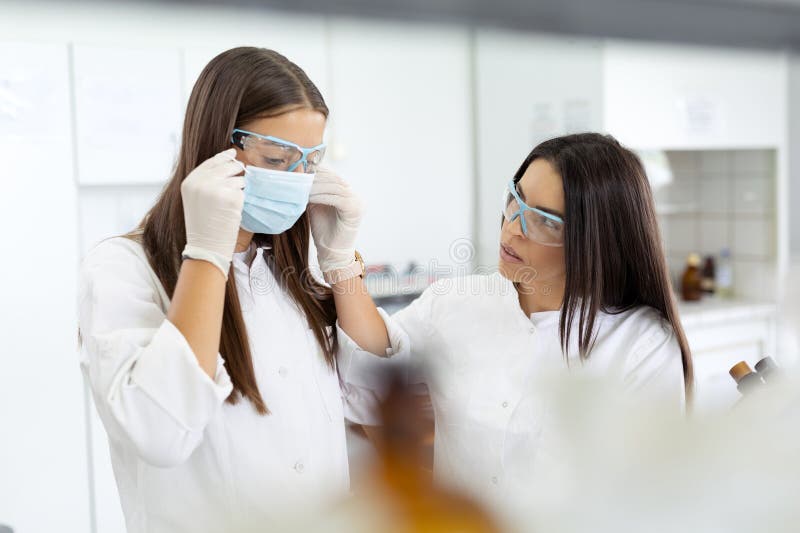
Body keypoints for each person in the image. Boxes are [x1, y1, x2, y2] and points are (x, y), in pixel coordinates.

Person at [77, 47, 402, 533]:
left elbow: (378, 395)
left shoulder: (283, 270)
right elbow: (160, 430)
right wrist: (208, 252)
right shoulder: (123, 268)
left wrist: (340, 265)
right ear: (217, 147)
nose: (297, 180)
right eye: (276, 159)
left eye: (310, 162)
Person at [339, 132, 694, 516]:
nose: (512, 229)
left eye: (545, 222)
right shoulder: (456, 301)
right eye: (516, 200)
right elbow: (373, 369)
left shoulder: (641, 345)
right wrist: (340, 260)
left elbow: (644, 501)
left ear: (595, 240)